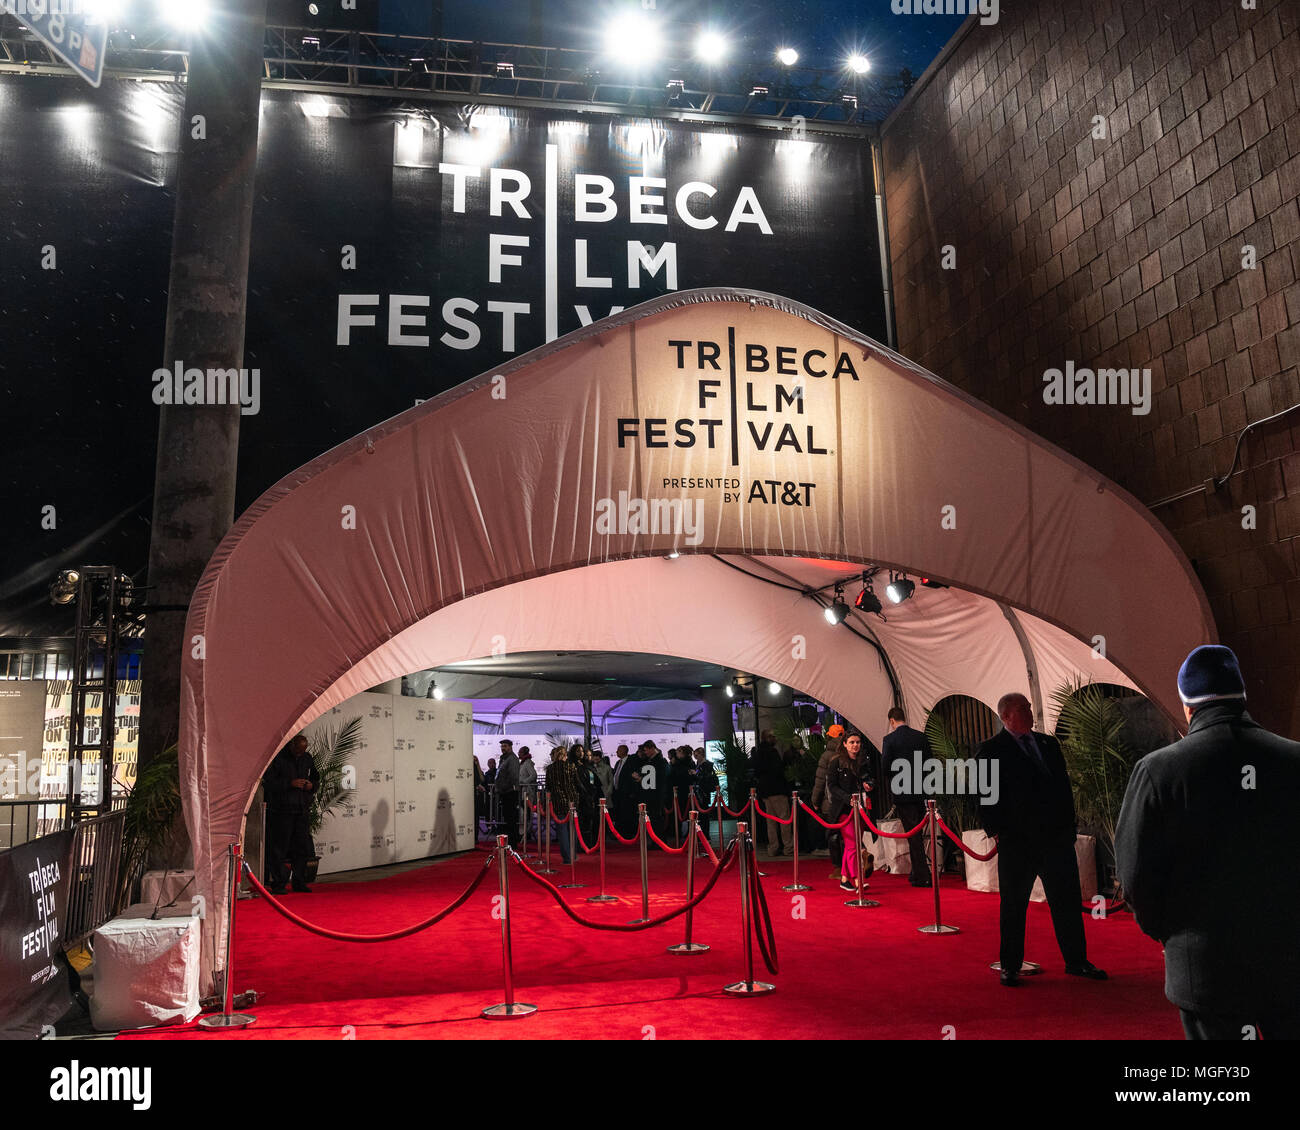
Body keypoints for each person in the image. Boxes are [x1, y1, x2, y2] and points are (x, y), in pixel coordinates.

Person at [1115, 645, 1300, 1039]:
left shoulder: (1158, 771)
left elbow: (1134, 876)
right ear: (1243, 696)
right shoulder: (1293, 760)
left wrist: (1169, 933)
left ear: (1187, 706)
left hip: (1205, 968)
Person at [975, 692, 1106, 987]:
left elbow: (1063, 786)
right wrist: (996, 830)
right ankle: (1010, 966)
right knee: (1013, 905)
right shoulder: (991, 750)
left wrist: (1069, 826)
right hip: (1017, 841)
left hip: (1056, 838)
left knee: (1067, 902)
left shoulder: (1048, 743)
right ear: (1007, 715)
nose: (1030, 711)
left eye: (1029, 706)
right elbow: (984, 794)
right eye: (1024, 707)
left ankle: (1077, 961)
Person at [881, 707, 933, 887]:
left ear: (892, 721)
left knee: (914, 834)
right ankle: (917, 872)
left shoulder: (889, 740)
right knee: (918, 832)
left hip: (902, 791)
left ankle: (922, 875)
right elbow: (929, 763)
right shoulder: (920, 737)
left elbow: (885, 767)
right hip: (921, 790)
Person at [262, 733, 320, 893]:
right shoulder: (279, 758)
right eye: (298, 751)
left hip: (302, 810)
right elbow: (269, 783)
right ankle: (279, 883)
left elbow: (316, 779)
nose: (300, 754)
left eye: (303, 751)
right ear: (291, 746)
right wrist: (290, 783)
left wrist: (311, 786)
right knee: (279, 847)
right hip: (282, 811)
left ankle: (299, 881)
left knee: (301, 847)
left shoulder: (307, 758)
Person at [825, 732, 873, 891]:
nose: (855, 745)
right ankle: (858, 879)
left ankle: (844, 879)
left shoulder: (863, 761)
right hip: (843, 810)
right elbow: (831, 786)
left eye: (858, 742)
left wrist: (869, 784)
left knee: (852, 845)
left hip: (860, 809)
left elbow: (869, 778)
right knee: (853, 844)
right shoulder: (836, 762)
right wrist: (847, 798)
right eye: (852, 742)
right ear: (844, 744)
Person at [545, 746, 579, 864]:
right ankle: (573, 854)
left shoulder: (550, 768)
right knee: (572, 829)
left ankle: (567, 858)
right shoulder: (571, 766)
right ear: (565, 755)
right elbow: (577, 783)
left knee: (562, 830)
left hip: (557, 801)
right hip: (572, 801)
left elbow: (548, 786)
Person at [496, 739, 521, 847]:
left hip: (510, 792)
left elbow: (513, 777)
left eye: (505, 746)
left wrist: (503, 788)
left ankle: (513, 842)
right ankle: (509, 841)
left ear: (510, 747)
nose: (503, 748)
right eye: (502, 746)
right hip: (504, 792)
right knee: (507, 818)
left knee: (511, 818)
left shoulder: (512, 759)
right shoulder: (503, 759)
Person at [668, 746, 695, 839]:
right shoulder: (683, 763)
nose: (676, 754)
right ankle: (678, 831)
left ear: (682, 753)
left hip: (683, 791)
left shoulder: (684, 764)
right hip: (680, 791)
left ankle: (684, 832)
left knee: (685, 812)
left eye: (678, 752)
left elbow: (679, 776)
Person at [518, 748, 537, 839]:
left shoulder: (528, 763)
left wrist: (524, 782)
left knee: (526, 812)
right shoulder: (522, 763)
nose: (518, 753)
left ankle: (526, 833)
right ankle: (524, 832)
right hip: (522, 791)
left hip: (527, 791)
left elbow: (533, 775)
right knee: (523, 812)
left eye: (520, 752)